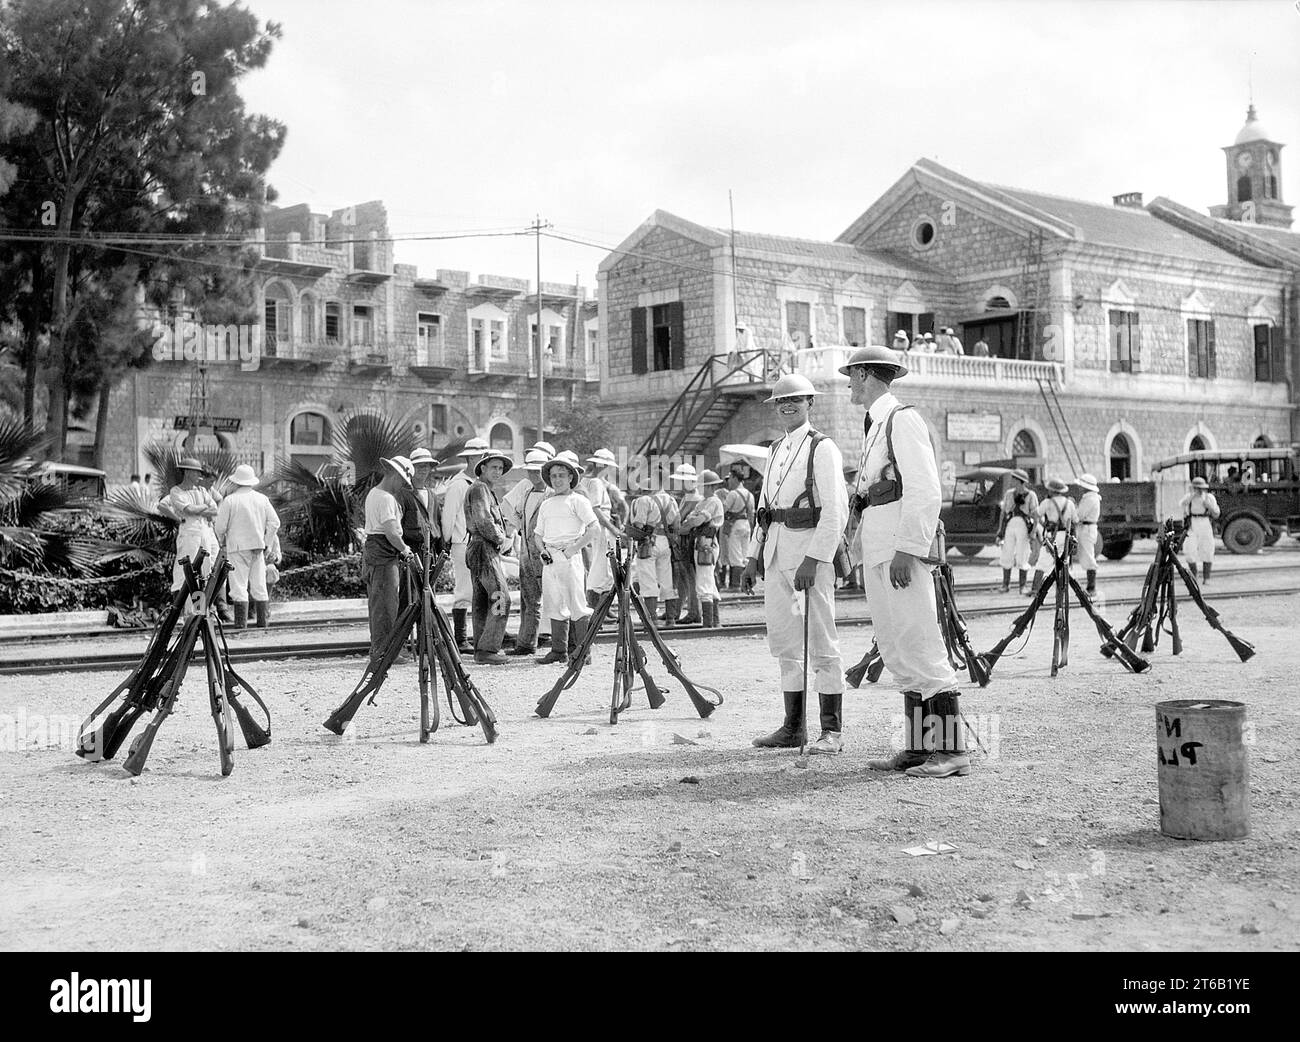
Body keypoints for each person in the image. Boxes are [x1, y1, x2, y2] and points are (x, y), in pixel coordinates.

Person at [840, 345, 968, 778]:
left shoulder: (902, 419)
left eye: (852, 375)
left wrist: (907, 549)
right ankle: (918, 748)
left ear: (866, 375)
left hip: (898, 549)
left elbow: (925, 490)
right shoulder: (875, 424)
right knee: (896, 647)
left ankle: (952, 753)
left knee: (920, 643)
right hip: (879, 546)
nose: (849, 383)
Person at [740, 373, 847, 755]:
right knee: (785, 643)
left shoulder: (822, 448)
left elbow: (836, 511)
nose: (788, 406)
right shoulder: (775, 450)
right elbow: (765, 510)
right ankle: (793, 727)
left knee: (820, 641)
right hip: (775, 556)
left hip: (807, 558)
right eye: (782, 402)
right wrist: (753, 555)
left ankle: (830, 731)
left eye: (796, 401)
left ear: (809, 404)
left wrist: (815, 559)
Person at [534, 451, 599, 664]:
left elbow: (593, 528)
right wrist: (542, 550)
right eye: (553, 476)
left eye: (562, 475)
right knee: (554, 603)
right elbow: (537, 534)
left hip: (569, 557)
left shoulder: (578, 500)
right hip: (550, 558)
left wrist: (572, 550)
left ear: (571, 477)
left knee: (577, 604)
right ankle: (558, 650)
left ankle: (583, 652)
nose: (558, 480)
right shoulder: (546, 503)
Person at [359, 457, 416, 667]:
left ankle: (382, 649)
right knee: (385, 606)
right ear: (394, 475)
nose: (402, 485)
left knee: (380, 604)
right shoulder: (385, 498)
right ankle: (383, 652)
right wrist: (405, 549)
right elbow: (391, 532)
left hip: (376, 551)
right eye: (402, 480)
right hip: (383, 553)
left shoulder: (375, 494)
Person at [214, 463, 282, 630]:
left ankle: (241, 624)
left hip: (237, 547)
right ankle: (262, 623)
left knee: (239, 586)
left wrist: (222, 540)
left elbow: (219, 527)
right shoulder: (262, 499)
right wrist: (266, 542)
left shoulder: (230, 501)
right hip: (257, 547)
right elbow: (275, 523)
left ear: (236, 482)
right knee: (259, 585)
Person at [464, 450, 514, 665]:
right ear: (482, 468)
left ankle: (481, 649)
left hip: (479, 547)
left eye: (500, 468)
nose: (498, 471)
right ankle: (489, 647)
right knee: (501, 597)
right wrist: (502, 539)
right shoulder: (480, 488)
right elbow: (484, 520)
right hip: (484, 548)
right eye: (493, 467)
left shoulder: (484, 489)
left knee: (483, 601)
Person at [501, 448, 550, 656]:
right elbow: (513, 512)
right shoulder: (527, 493)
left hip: (545, 555)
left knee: (553, 600)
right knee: (529, 601)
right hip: (527, 555)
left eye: (538, 471)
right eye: (530, 471)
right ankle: (526, 644)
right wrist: (515, 530)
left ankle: (564, 644)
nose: (534, 475)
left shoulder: (551, 495)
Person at [443, 436, 488, 652]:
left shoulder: (478, 483)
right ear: (470, 458)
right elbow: (448, 517)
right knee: (464, 589)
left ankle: (482, 632)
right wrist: (447, 542)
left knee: (481, 588)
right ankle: (460, 637)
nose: (482, 461)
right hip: (462, 543)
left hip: (478, 544)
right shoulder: (459, 485)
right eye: (480, 457)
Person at [158, 457, 221, 605]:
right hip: (189, 533)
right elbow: (188, 509)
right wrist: (202, 508)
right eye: (195, 472)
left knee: (204, 570)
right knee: (185, 569)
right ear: (187, 472)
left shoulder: (202, 490)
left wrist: (197, 510)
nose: (198, 476)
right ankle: (181, 608)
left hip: (204, 532)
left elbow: (214, 510)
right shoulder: (176, 491)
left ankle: (199, 609)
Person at [626, 478, 678, 626]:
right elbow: (676, 522)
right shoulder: (671, 500)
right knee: (667, 579)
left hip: (648, 543)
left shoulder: (644, 500)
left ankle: (651, 619)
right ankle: (670, 618)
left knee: (647, 579)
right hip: (665, 541)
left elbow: (639, 523)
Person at [679, 469, 726, 628]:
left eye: (702, 486)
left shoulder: (714, 501)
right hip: (701, 542)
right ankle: (714, 621)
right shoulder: (703, 502)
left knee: (704, 582)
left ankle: (709, 623)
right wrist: (692, 520)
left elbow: (696, 521)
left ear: (709, 487)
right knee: (708, 581)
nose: (699, 488)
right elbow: (689, 521)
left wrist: (692, 520)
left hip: (706, 543)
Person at [581, 448, 625, 607]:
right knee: (606, 569)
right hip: (602, 528)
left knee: (597, 568)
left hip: (592, 527)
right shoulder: (597, 482)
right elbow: (596, 508)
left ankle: (597, 608)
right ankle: (600, 609)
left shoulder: (584, 480)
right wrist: (612, 528)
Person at [1027, 478, 1077, 596]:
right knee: (1064, 563)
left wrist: (1044, 523)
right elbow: (1075, 520)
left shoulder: (1047, 502)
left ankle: (1035, 589)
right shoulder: (1069, 503)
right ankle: (1062, 590)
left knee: (1042, 562)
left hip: (1052, 536)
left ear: (1051, 490)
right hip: (1065, 536)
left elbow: (1036, 514)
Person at [667, 463, 703, 626]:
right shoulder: (689, 497)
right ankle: (678, 610)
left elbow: (683, 522)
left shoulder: (694, 499)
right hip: (684, 540)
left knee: (690, 578)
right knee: (683, 578)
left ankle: (694, 611)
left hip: (688, 541)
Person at [997, 469, 1037, 593]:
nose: (1012, 481)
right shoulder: (1009, 494)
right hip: (1010, 524)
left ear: (1020, 481)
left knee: (1022, 553)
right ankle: (1005, 584)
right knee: (1006, 552)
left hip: (1023, 525)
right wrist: (1000, 530)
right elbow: (1003, 513)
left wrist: (1033, 531)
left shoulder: (1030, 495)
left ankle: (1023, 586)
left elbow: (1036, 515)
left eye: (1014, 479)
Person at [718, 465, 755, 592]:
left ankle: (735, 584)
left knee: (735, 555)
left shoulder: (733, 494)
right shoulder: (750, 494)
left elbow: (723, 509)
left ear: (734, 477)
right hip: (746, 525)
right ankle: (745, 583)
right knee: (745, 554)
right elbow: (751, 513)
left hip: (735, 525)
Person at [1180, 476, 1221, 584]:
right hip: (1193, 522)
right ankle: (1194, 576)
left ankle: (1206, 578)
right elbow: (1181, 505)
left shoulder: (1209, 498)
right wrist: (1191, 497)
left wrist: (1209, 506)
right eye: (1196, 488)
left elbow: (1216, 513)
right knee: (1189, 550)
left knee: (1207, 549)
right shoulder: (1189, 497)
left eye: (1200, 488)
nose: (1199, 491)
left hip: (1205, 522)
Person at [1074, 473, 1102, 595]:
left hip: (1087, 528)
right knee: (1086, 556)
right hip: (1086, 528)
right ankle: (1090, 587)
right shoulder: (1091, 497)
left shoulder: (1090, 499)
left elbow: (1079, 515)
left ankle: (1092, 587)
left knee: (1088, 557)